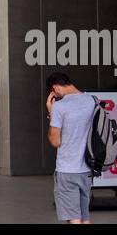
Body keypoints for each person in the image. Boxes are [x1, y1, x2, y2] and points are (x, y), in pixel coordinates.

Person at [46, 72, 97, 225]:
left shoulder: (60, 107)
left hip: (67, 170)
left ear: (55, 88)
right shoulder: (92, 100)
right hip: (87, 169)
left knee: (74, 219)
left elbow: (55, 141)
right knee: (84, 218)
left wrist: (51, 110)